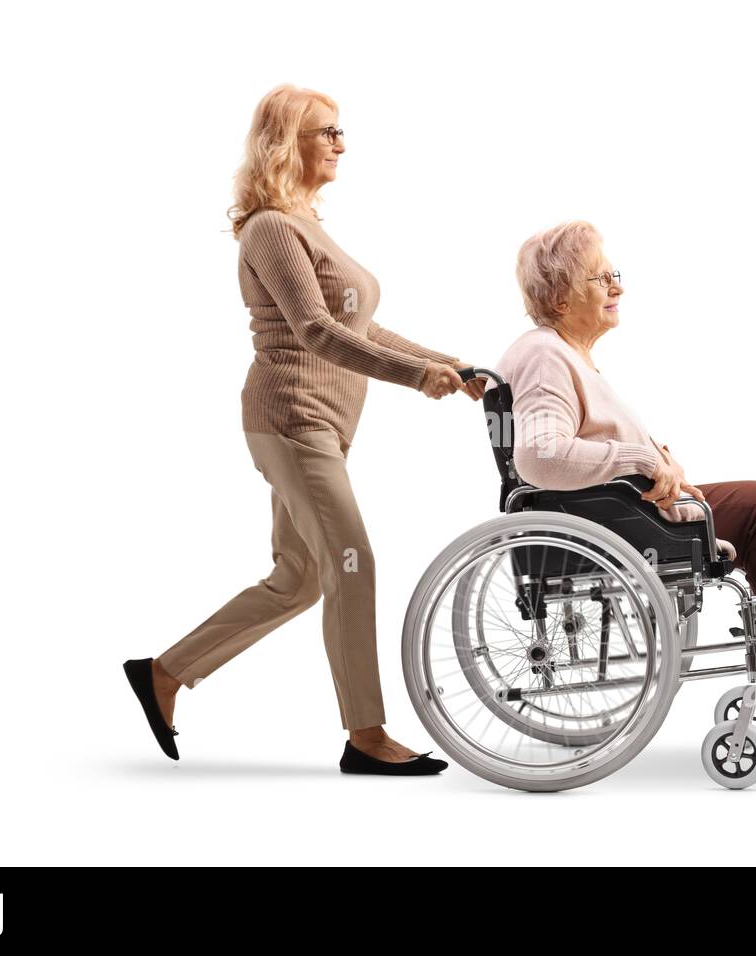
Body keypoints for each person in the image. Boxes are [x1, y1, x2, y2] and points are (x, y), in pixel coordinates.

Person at [124, 84, 486, 774]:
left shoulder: (307, 225)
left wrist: (450, 363)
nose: (341, 143)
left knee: (298, 578)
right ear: (286, 142)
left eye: (341, 131)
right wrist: (415, 379)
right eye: (326, 132)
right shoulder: (269, 229)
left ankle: (164, 674)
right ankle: (367, 736)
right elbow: (316, 332)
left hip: (323, 426)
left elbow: (360, 327)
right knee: (353, 562)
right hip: (292, 420)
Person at [490, 220, 756, 710]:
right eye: (600, 278)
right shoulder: (546, 355)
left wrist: (654, 461)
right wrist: (643, 458)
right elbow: (540, 457)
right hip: (610, 524)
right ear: (561, 299)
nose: (618, 287)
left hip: (622, 512)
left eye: (615, 274)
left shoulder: (561, 353)